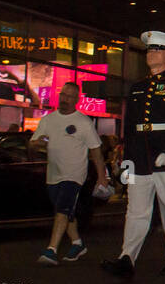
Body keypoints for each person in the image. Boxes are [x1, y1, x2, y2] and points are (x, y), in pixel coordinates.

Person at [101, 31, 165, 279]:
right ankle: (127, 258)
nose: (151, 54)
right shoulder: (138, 87)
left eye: (156, 49)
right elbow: (130, 127)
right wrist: (126, 159)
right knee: (136, 209)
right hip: (139, 156)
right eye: (149, 50)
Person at [33, 81, 110, 264]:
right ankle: (77, 243)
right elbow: (33, 141)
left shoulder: (83, 122)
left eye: (69, 96)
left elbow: (96, 152)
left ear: (76, 99)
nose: (64, 99)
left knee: (62, 208)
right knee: (65, 211)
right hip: (53, 175)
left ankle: (51, 250)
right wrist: (38, 143)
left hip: (74, 175)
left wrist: (102, 177)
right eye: (63, 95)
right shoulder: (48, 120)